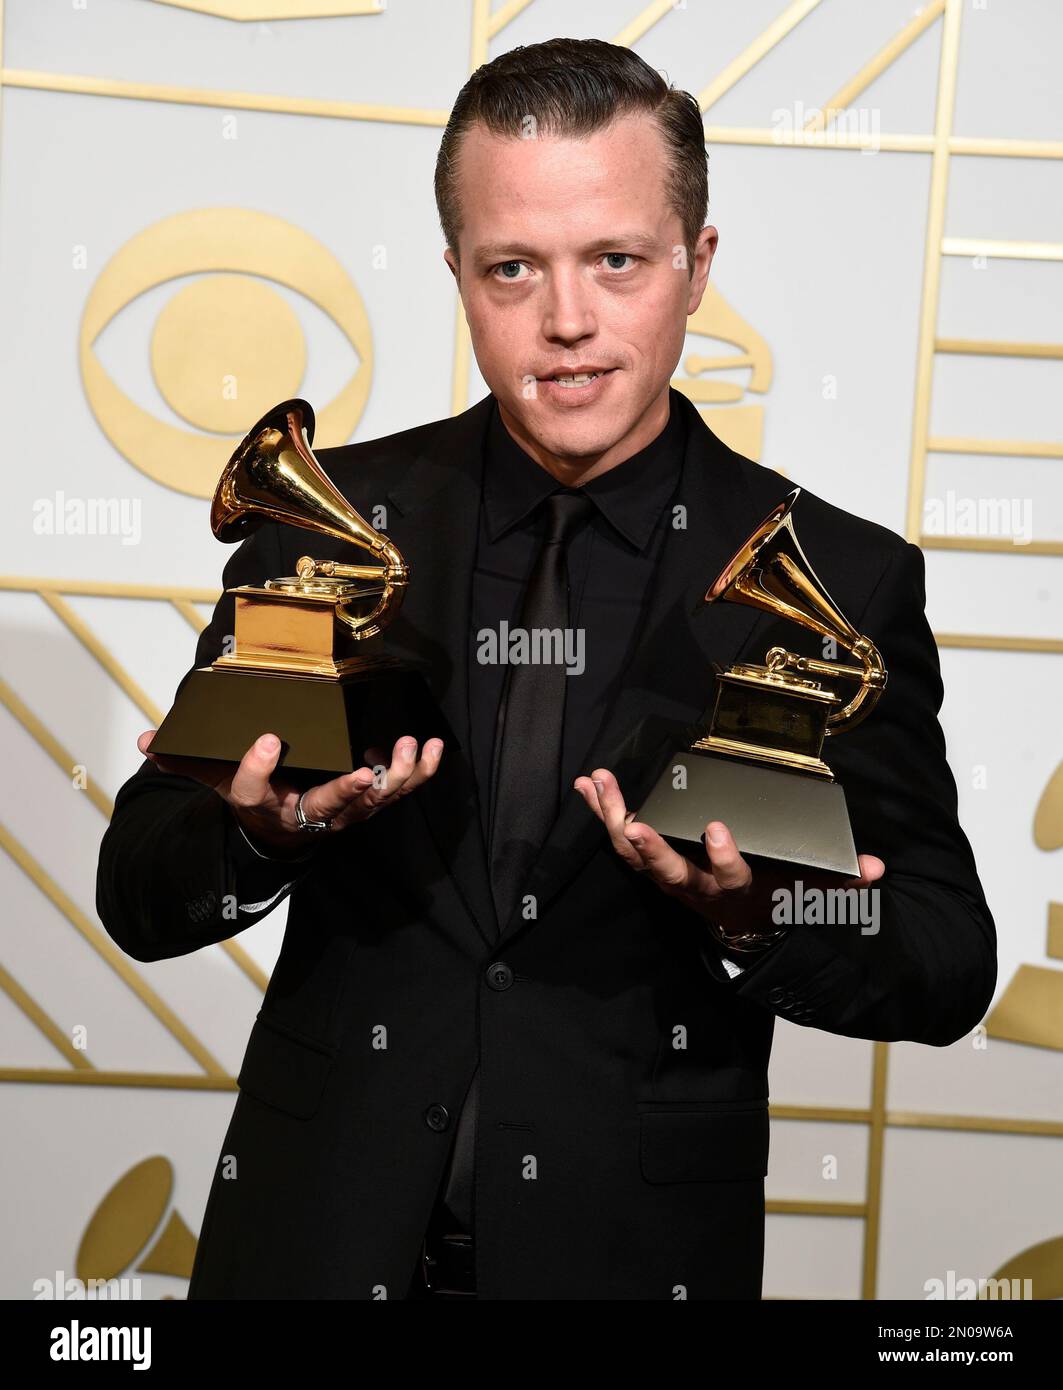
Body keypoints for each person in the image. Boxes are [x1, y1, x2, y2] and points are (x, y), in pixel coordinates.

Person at [96, 37, 996, 1300]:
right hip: (303, 1249)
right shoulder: (330, 519)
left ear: (696, 266)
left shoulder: (842, 577)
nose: (565, 320)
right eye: (512, 267)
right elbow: (139, 889)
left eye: (616, 260)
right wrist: (264, 839)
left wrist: (762, 914)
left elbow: (945, 957)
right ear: (458, 274)